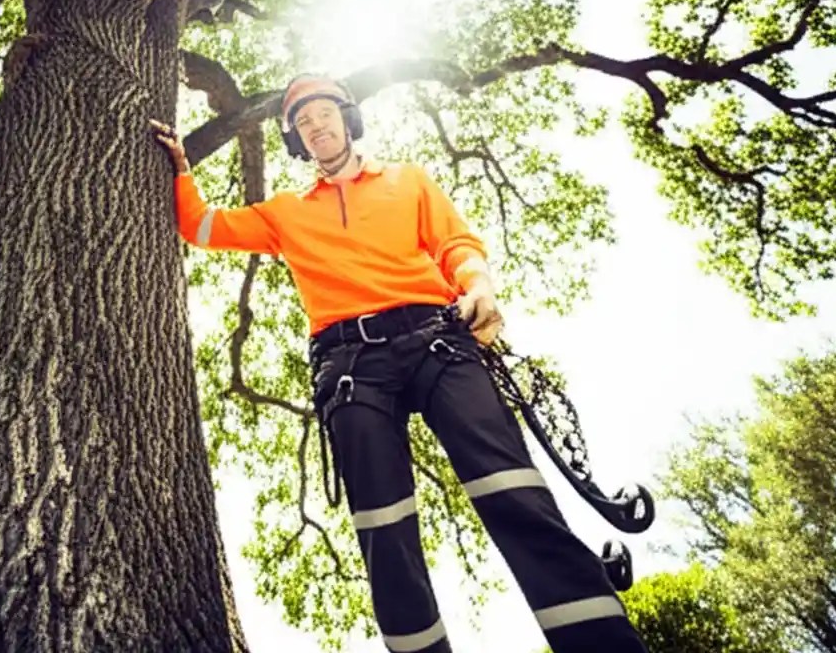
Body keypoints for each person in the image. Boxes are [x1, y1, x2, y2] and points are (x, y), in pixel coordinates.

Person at [149, 74, 648, 653]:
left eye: (322, 114)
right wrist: (182, 167)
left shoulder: (406, 179)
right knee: (383, 529)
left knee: (513, 491)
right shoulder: (285, 213)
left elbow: (456, 243)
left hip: (437, 339)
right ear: (296, 141)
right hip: (349, 366)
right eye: (302, 123)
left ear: (348, 118)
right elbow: (203, 227)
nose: (315, 127)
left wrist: (478, 284)